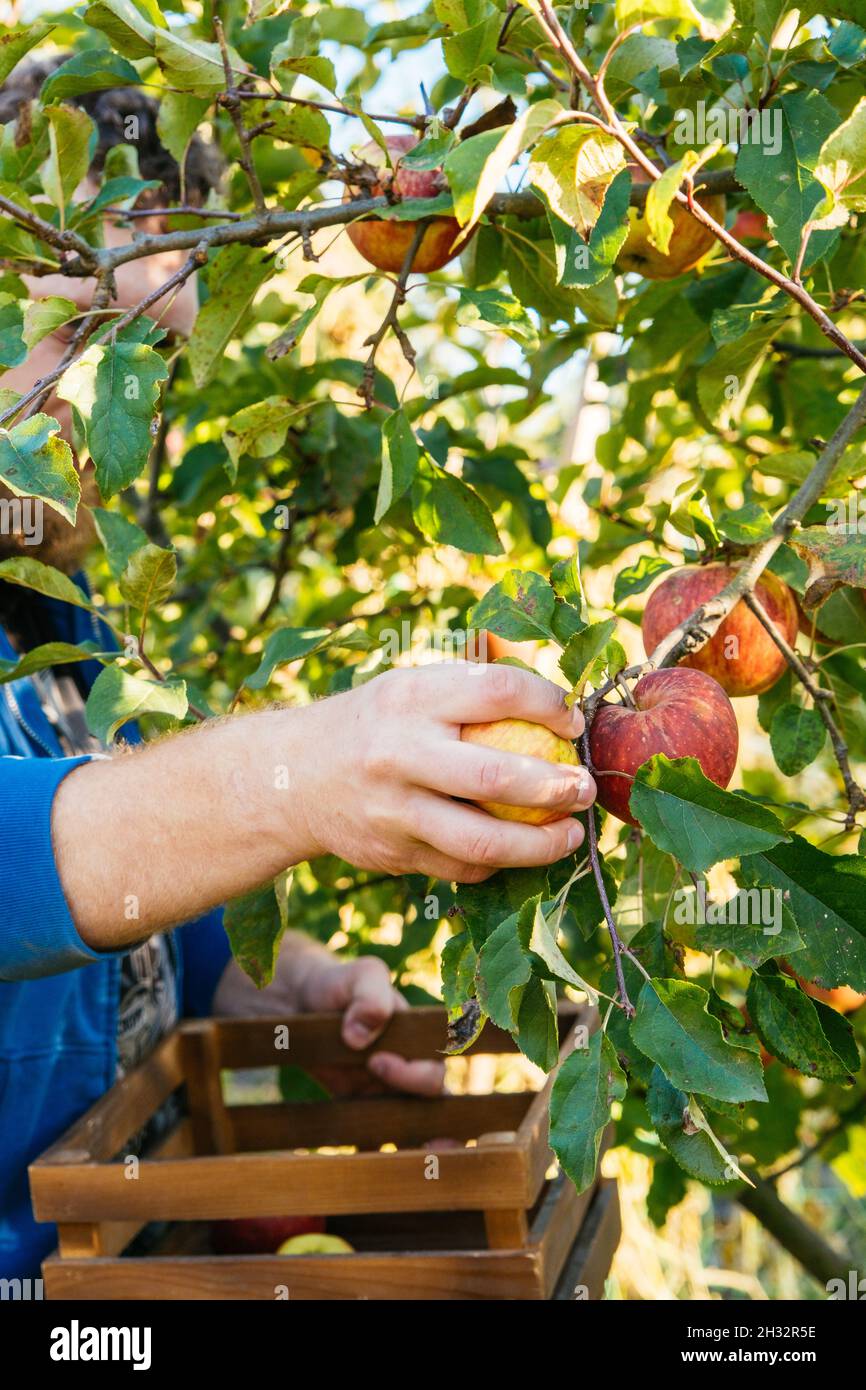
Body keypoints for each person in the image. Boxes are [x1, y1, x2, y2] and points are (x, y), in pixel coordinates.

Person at [0, 67, 597, 1279]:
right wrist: (292, 778)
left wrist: (287, 999)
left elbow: (129, 923)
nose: (118, 402)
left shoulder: (55, 613)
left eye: (148, 364)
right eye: (78, 335)